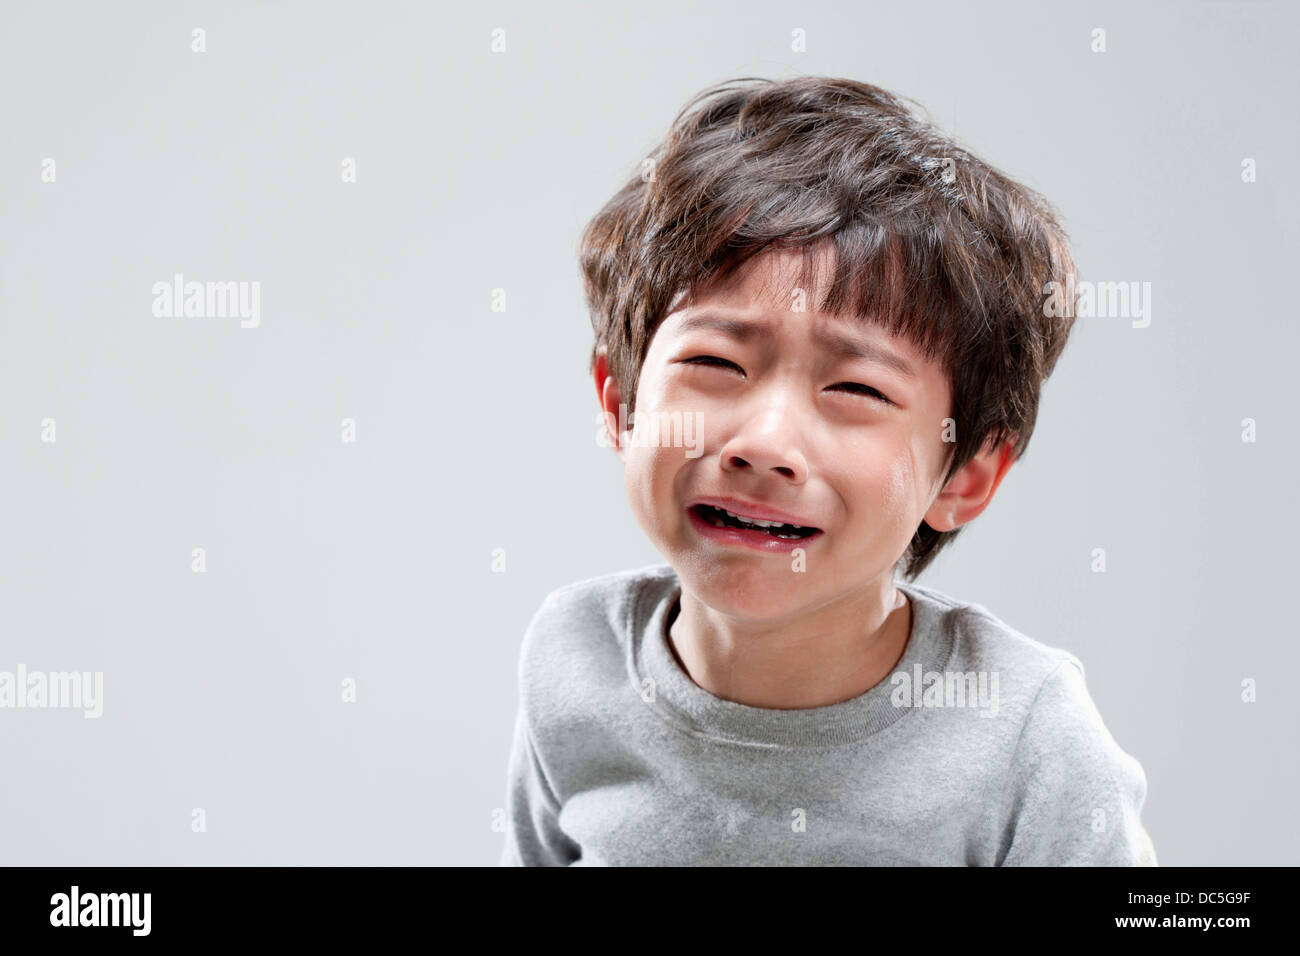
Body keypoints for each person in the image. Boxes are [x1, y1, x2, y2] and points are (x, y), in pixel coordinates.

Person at [499, 75, 1156, 866]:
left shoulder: (1024, 733)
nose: (766, 443)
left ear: (966, 476)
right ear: (621, 402)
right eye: (715, 360)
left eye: (856, 388)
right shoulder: (573, 660)